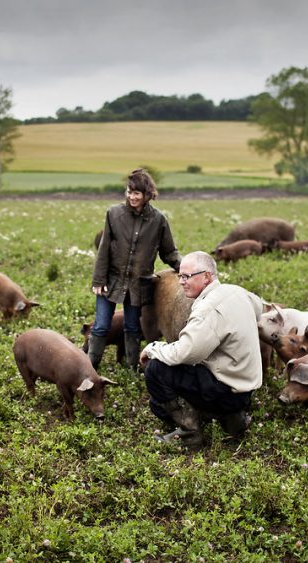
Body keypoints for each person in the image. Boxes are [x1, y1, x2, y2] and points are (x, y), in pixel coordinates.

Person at [140, 251, 263, 448]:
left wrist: (153, 347)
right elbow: (259, 309)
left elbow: (185, 354)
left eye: (187, 276)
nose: (181, 282)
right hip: (245, 391)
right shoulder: (239, 292)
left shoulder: (208, 309)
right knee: (158, 403)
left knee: (156, 370)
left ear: (206, 277)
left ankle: (190, 434)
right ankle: (233, 419)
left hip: (224, 391)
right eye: (180, 276)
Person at [89, 168, 181, 371]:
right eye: (129, 191)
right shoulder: (114, 214)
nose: (131, 196)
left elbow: (169, 252)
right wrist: (98, 280)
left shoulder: (158, 220)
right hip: (111, 281)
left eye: (136, 193)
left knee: (132, 327)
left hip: (138, 285)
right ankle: (89, 366)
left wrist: (187, 269)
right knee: (102, 325)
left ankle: (132, 367)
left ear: (147, 195)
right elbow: (103, 249)